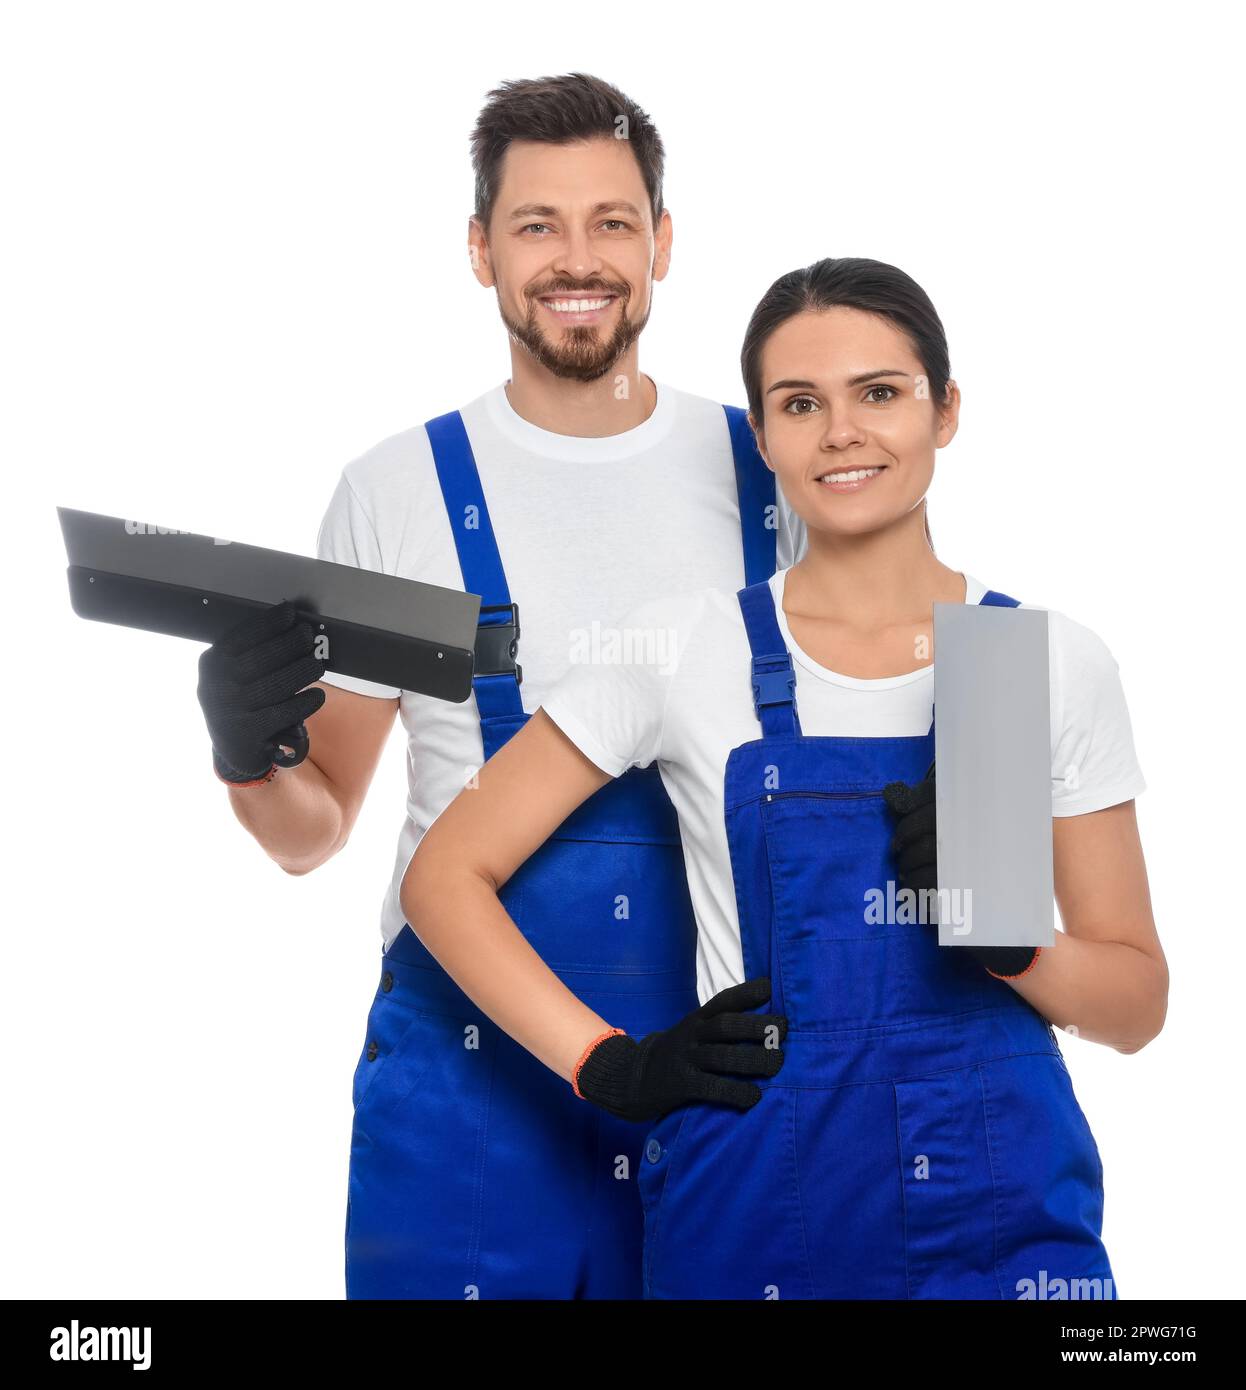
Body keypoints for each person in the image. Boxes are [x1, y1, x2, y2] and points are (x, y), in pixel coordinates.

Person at [403, 256, 1168, 1300]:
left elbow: (1134, 1002)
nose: (841, 432)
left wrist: (1015, 944)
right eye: (799, 404)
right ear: (760, 438)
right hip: (760, 1203)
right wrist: (612, 1065)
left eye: (879, 394)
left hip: (1002, 1205)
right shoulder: (682, 647)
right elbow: (445, 875)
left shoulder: (1027, 661)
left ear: (944, 411)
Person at [194, 72, 806, 1300]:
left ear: (663, 242)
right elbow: (314, 833)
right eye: (536, 224)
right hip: (462, 1089)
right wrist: (248, 749)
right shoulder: (396, 489)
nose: (576, 260)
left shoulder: (783, 463)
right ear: (480, 249)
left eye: (611, 221)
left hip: (722, 1061)